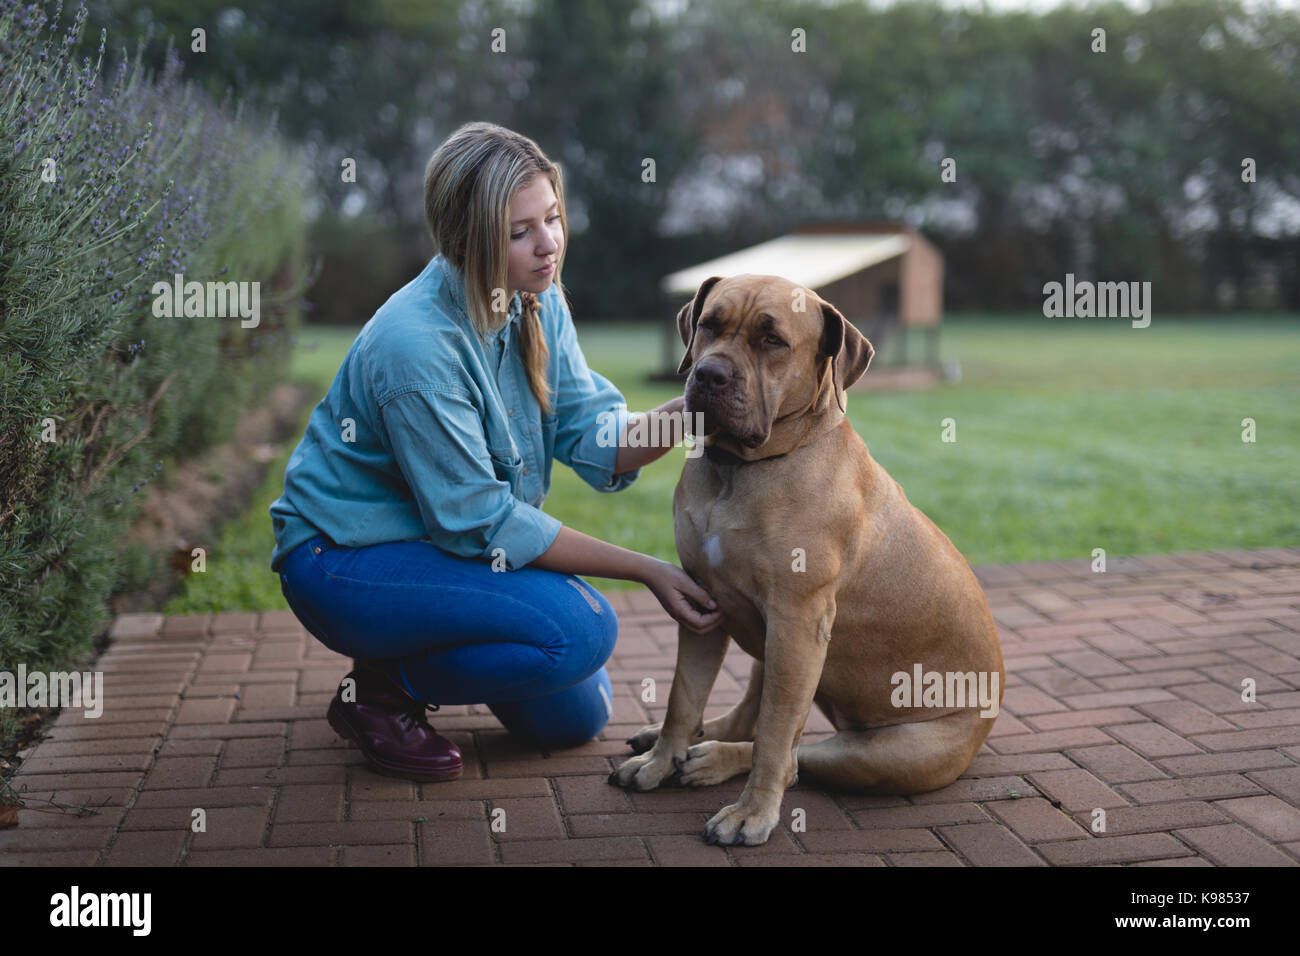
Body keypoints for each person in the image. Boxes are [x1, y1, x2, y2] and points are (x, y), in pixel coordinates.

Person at [268, 121, 722, 783]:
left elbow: (595, 435)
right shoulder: (416, 346)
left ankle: (424, 654)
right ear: (464, 239)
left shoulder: (538, 298)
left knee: (575, 719)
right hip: (343, 559)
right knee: (582, 631)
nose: (549, 246)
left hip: (441, 546)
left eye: (554, 218)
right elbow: (482, 519)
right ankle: (379, 690)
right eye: (521, 231)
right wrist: (648, 568)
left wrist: (694, 408)